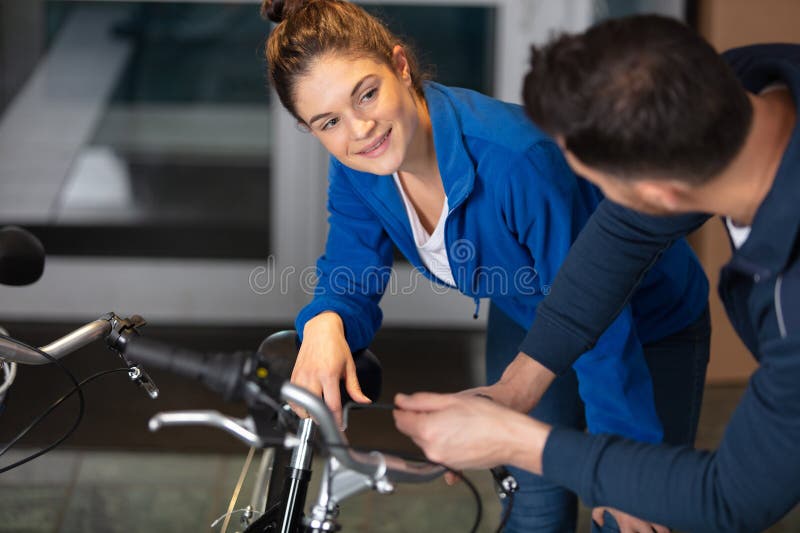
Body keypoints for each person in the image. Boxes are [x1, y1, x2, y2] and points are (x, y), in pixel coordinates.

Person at [262, 3, 710, 530]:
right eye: (329, 121)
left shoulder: (517, 161)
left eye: (367, 93)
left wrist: (622, 477)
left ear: (400, 66)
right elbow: (351, 268)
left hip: (645, 318)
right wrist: (324, 321)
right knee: (532, 503)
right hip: (527, 314)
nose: (359, 129)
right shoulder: (360, 167)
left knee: (631, 512)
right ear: (309, 129)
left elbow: (599, 316)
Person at [394, 14, 800, 533]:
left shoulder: (791, 305)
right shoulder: (734, 86)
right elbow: (620, 237)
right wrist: (516, 388)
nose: (606, 208)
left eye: (602, 188)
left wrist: (516, 440)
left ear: (660, 196)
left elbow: (729, 496)